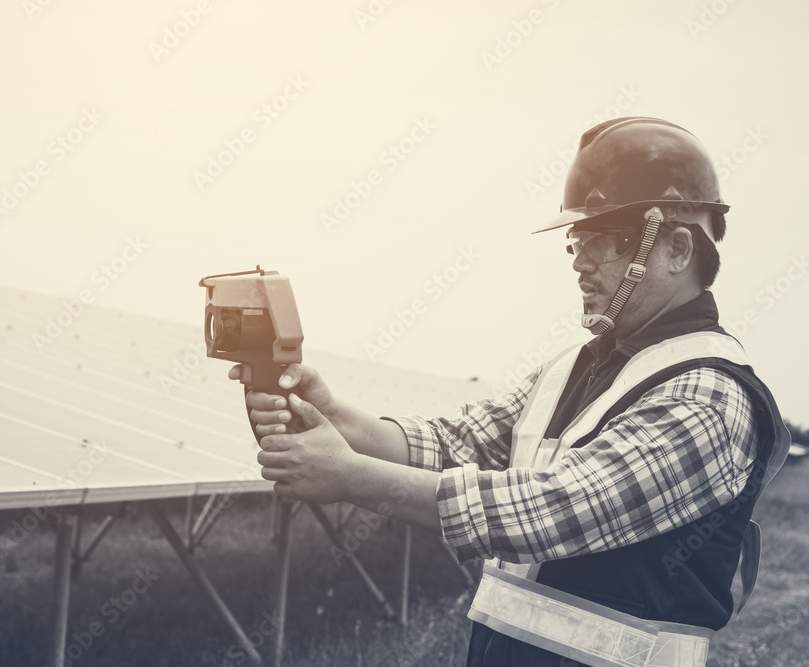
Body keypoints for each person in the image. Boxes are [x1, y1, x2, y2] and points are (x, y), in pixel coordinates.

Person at [229, 117, 791, 667]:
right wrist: (333, 415)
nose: (582, 262)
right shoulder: (574, 367)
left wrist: (350, 478)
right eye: (579, 240)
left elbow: (556, 509)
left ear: (677, 250)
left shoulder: (708, 396)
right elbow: (458, 444)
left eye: (610, 240)